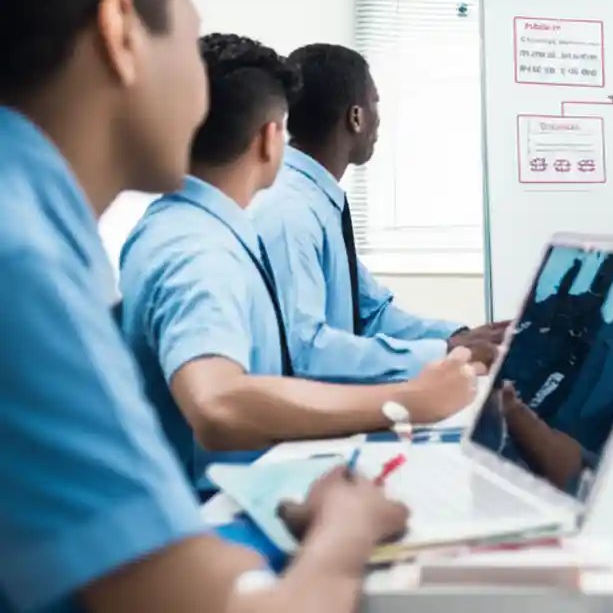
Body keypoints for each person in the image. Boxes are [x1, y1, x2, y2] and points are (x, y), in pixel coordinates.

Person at [0, 0, 408, 611]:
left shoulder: (41, 228)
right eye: (188, 44)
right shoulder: (23, 265)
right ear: (121, 31)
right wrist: (346, 529)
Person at [119, 33, 481, 495]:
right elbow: (217, 405)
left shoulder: (193, 226)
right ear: (272, 138)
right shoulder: (201, 251)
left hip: (242, 484)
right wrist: (407, 402)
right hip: (208, 512)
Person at [251, 43, 505, 384]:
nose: (379, 117)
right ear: (356, 117)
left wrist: (462, 337)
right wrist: (446, 352)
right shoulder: (289, 212)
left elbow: (372, 314)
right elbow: (307, 351)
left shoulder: (317, 200)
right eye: (375, 102)